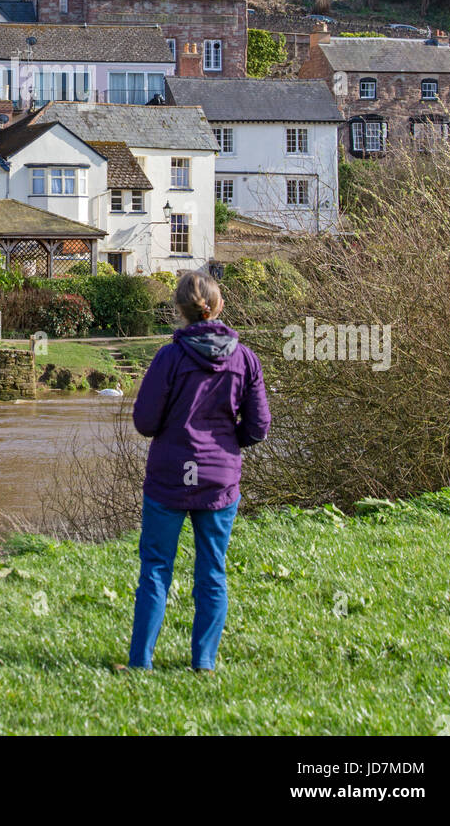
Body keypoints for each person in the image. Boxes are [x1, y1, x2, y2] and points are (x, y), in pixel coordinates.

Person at [126, 269, 271, 672]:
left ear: (180, 311)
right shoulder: (245, 358)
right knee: (212, 569)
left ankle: (141, 662)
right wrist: (225, 445)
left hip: (170, 473)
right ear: (219, 305)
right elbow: (258, 428)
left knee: (156, 567)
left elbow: (145, 422)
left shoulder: (169, 357)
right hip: (219, 479)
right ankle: (203, 663)